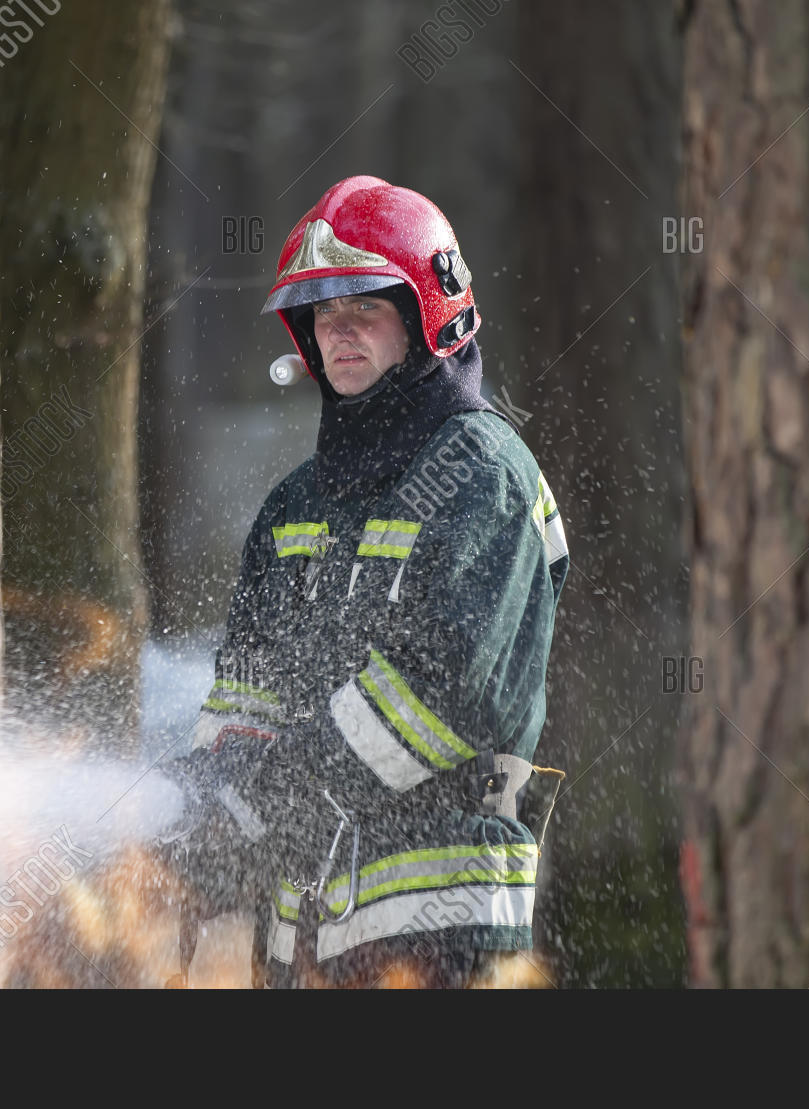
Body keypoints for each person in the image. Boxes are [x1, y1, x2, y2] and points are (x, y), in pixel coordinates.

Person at [165, 175, 568, 988]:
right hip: (301, 940)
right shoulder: (294, 505)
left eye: (365, 310)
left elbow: (453, 691)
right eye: (322, 315)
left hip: (437, 931)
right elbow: (247, 684)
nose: (338, 333)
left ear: (428, 318)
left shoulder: (481, 475)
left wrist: (281, 787)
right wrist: (210, 795)